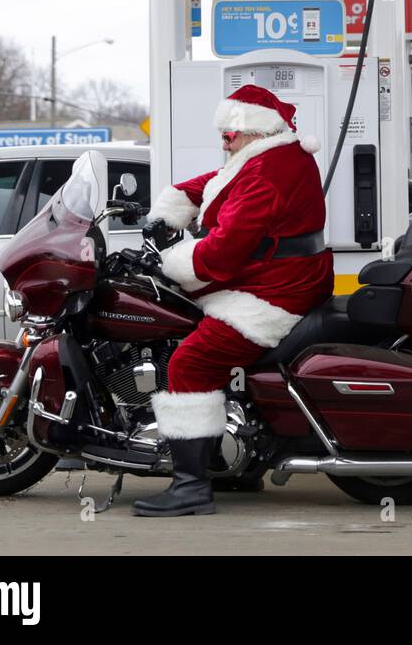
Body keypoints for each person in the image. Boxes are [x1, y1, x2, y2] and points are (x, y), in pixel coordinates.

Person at [132, 84, 330, 516]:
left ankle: (190, 488)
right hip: (278, 279)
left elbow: (223, 251)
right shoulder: (270, 157)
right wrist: (169, 208)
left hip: (271, 293)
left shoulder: (269, 172)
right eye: (222, 133)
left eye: (229, 134)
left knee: (190, 363)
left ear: (255, 132)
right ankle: (232, 463)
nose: (224, 141)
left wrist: (167, 263)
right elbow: (216, 185)